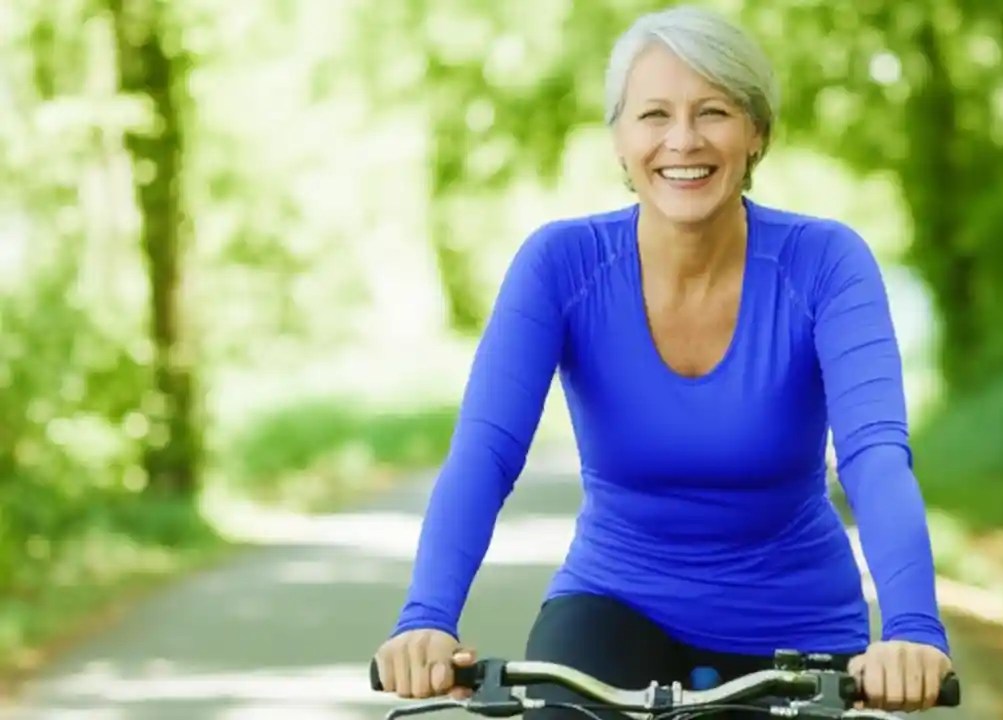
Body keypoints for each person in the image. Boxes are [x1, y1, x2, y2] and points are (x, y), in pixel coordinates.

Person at [373, 5, 954, 716]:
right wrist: (425, 619)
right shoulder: (561, 264)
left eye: (712, 111)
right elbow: (486, 452)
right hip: (614, 611)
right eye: (653, 115)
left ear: (756, 133)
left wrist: (912, 631)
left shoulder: (825, 263)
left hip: (796, 627)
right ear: (620, 139)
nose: (683, 140)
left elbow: (873, 454)